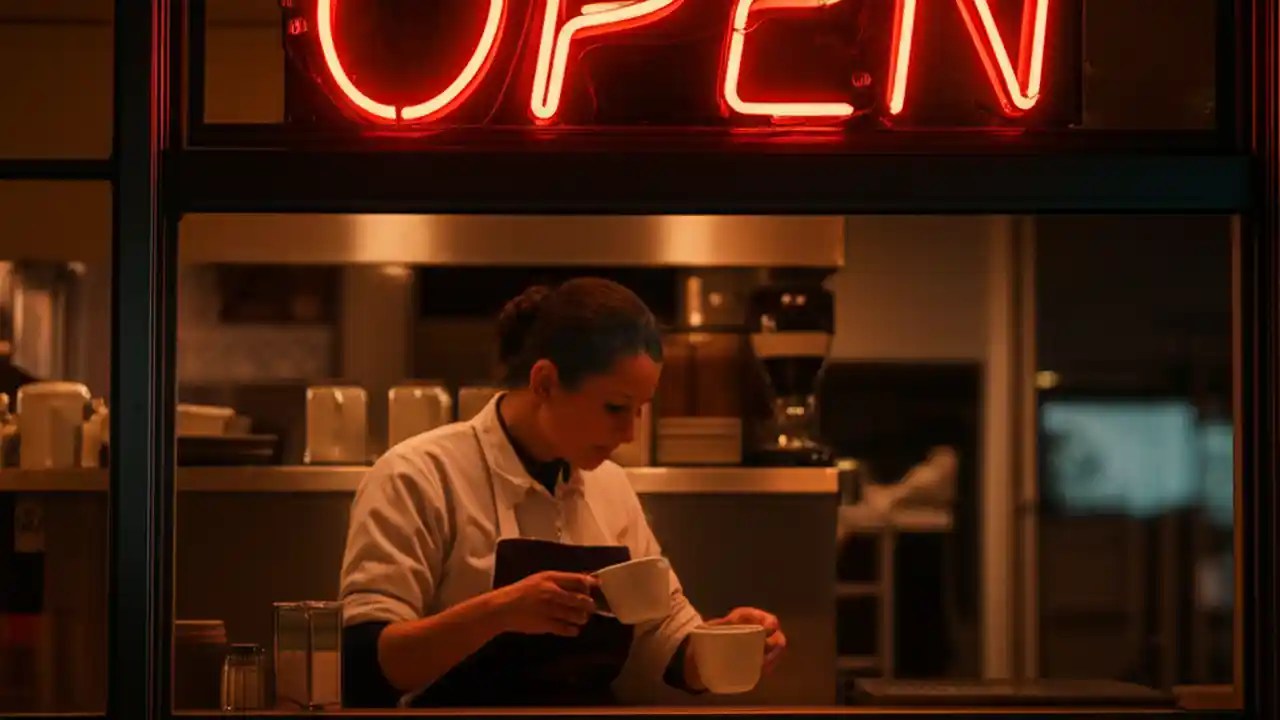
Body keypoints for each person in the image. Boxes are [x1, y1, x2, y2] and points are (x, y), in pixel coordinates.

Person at [338, 277, 787, 708]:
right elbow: (365, 665)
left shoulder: (610, 485)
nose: (629, 433)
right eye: (615, 408)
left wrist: (726, 643)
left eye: (639, 411)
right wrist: (499, 611)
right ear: (545, 383)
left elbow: (662, 640)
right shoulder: (419, 475)